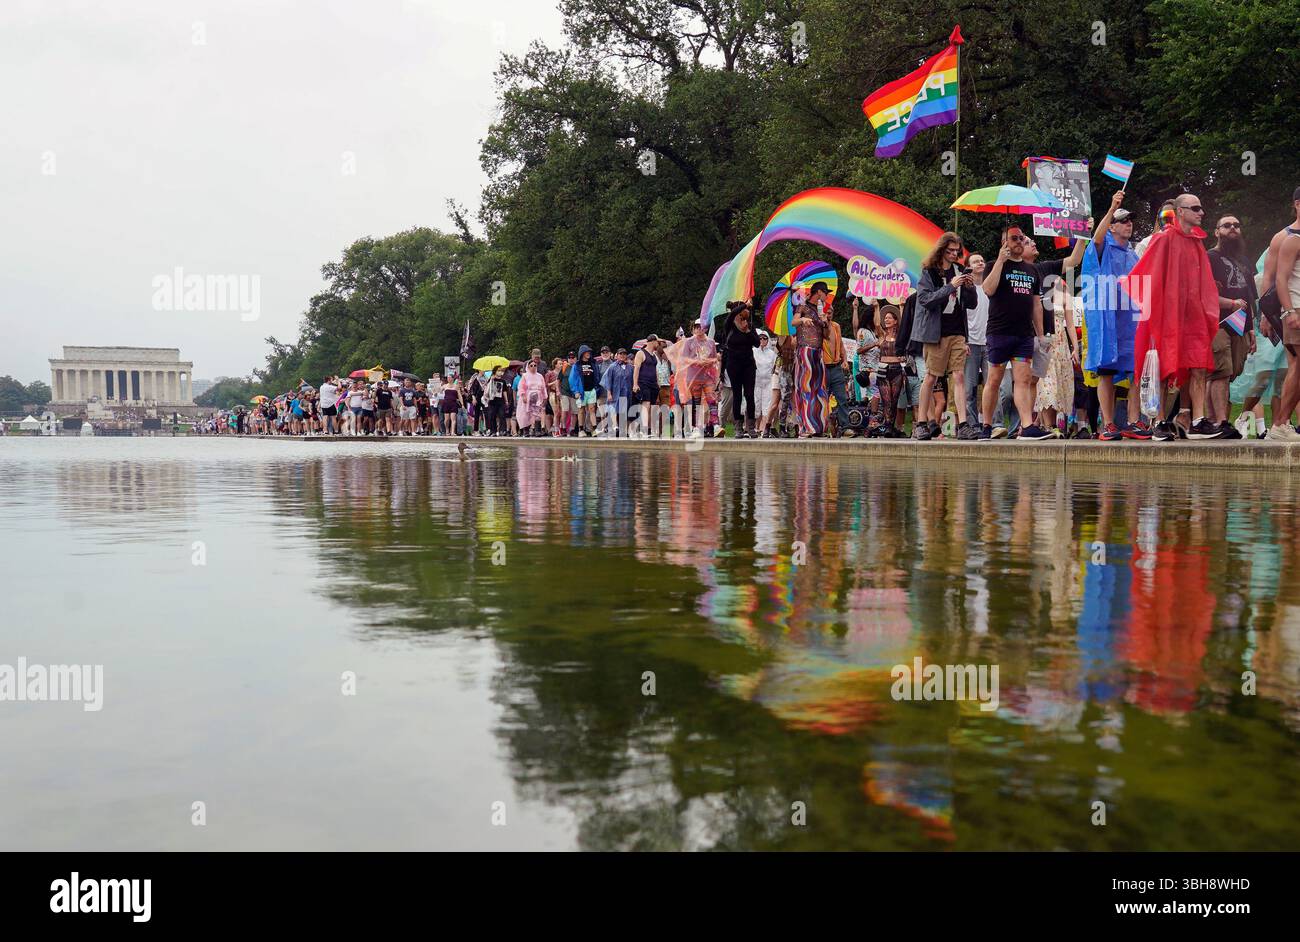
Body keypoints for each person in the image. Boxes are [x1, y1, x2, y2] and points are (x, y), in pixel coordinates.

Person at [1123, 193, 1222, 439]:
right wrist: (1156, 312)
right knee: (1164, 365)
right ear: (1180, 211)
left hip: (1194, 316)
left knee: (1199, 364)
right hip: (1167, 317)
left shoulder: (1197, 242)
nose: (1202, 213)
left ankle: (1198, 420)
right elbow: (1142, 277)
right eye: (1195, 208)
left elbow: (1204, 284)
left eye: (1201, 208)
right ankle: (1158, 421)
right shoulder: (1163, 239)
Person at [979, 223, 1050, 440]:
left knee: (1023, 379)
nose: (1019, 242)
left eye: (1021, 238)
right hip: (999, 332)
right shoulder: (993, 265)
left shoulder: (1032, 271)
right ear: (1005, 242)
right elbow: (988, 289)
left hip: (1023, 334)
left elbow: (1036, 305)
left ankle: (1027, 426)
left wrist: (1040, 334)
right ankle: (987, 425)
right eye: (1014, 238)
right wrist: (1001, 260)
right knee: (994, 379)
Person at [1082, 191, 1141, 441]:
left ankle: (1133, 421)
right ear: (1112, 227)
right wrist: (1111, 208)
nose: (1128, 224)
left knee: (1136, 372)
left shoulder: (1134, 254)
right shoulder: (1101, 247)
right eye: (1123, 220)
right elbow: (1096, 238)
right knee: (1106, 371)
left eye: (1130, 220)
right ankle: (1108, 423)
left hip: (1130, 323)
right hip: (1107, 321)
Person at [914, 232, 979, 439]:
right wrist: (951, 286)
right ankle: (922, 422)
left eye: (956, 251)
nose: (953, 254)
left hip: (957, 331)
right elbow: (925, 300)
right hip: (936, 333)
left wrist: (969, 289)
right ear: (941, 250)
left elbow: (971, 304)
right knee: (932, 377)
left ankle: (963, 424)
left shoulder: (960, 271)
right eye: (950, 251)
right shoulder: (929, 273)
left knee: (958, 375)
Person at [1207, 214, 1258, 435]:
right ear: (1217, 231)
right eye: (1227, 226)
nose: (1233, 228)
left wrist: (1251, 329)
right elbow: (1202, 294)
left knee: (1233, 372)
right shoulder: (1209, 257)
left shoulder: (1245, 261)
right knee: (1220, 371)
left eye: (1237, 225)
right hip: (1216, 323)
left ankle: (1214, 421)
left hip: (1241, 326)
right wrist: (1229, 303)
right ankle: (1219, 422)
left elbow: (1250, 295)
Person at [1261, 186, 1300, 441]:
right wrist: (1268, 315)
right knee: (1296, 364)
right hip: (1293, 308)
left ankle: (1284, 423)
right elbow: (1271, 278)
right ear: (1296, 203)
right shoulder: (1284, 237)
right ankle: (1281, 423)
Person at [791, 282, 832, 438]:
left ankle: (819, 427)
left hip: (818, 352)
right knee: (806, 387)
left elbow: (827, 336)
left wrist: (826, 321)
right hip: (805, 350)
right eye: (825, 293)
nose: (827, 296)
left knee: (820, 389)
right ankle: (807, 427)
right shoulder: (803, 306)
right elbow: (794, 322)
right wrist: (802, 320)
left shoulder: (820, 310)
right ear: (819, 292)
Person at [962, 254, 990, 429]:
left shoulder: (991, 287)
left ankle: (993, 424)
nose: (980, 262)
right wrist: (963, 341)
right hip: (970, 342)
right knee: (970, 388)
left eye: (982, 260)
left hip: (990, 342)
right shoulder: (964, 290)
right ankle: (972, 425)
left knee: (992, 386)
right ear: (968, 267)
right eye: (975, 261)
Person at [724, 301, 761, 436]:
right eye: (740, 314)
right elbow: (733, 313)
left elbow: (757, 344)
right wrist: (745, 305)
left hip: (748, 364)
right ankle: (738, 427)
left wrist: (748, 331)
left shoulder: (749, 325)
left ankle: (750, 426)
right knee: (737, 396)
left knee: (749, 395)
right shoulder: (729, 325)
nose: (742, 317)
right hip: (733, 365)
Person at [632, 335, 664, 437]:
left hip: (653, 383)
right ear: (652, 342)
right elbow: (636, 368)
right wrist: (635, 384)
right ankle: (644, 429)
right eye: (657, 342)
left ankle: (649, 429)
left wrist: (658, 382)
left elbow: (655, 370)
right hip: (643, 382)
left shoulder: (654, 355)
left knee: (652, 406)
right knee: (646, 405)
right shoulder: (641, 353)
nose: (658, 344)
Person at [599, 348, 634, 436]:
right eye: (620, 354)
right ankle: (615, 427)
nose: (622, 355)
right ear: (617, 355)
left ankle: (623, 430)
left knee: (624, 411)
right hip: (615, 392)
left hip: (627, 392)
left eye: (624, 354)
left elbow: (633, 380)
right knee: (614, 410)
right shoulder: (612, 367)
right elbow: (608, 381)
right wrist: (609, 393)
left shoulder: (630, 367)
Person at [516, 360, 548, 436]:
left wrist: (545, 398)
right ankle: (526, 431)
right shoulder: (525, 376)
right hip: (527, 397)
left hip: (538, 397)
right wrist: (523, 396)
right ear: (528, 367)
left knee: (537, 414)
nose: (533, 367)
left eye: (535, 365)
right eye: (531, 366)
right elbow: (521, 387)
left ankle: (537, 431)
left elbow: (543, 388)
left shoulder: (540, 376)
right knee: (526, 414)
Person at [753, 331, 776, 428]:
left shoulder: (772, 354)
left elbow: (774, 368)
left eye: (764, 338)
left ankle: (763, 429)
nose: (762, 340)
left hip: (768, 383)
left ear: (768, 340)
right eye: (760, 338)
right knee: (756, 406)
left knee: (766, 407)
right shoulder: (753, 351)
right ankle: (755, 428)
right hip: (756, 383)